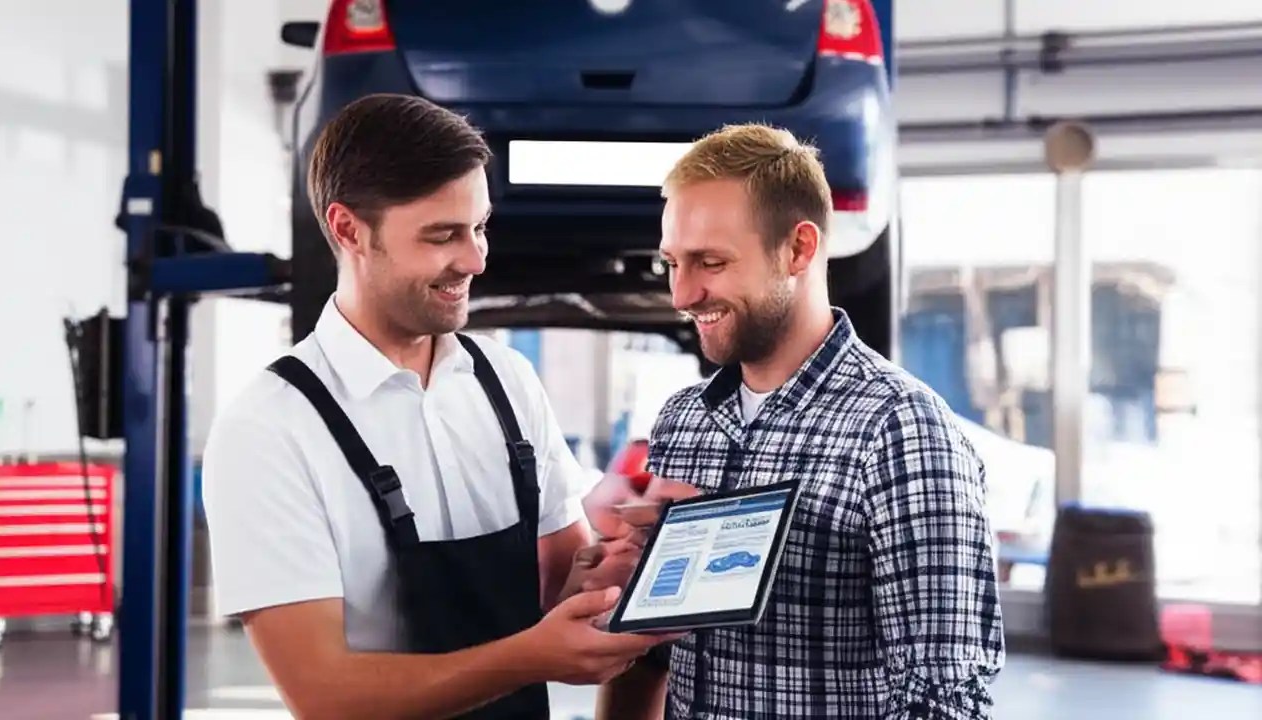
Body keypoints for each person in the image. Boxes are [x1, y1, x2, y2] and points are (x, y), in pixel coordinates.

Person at [200, 94, 672, 720]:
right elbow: (325, 695)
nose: (476, 259)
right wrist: (533, 656)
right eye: (442, 235)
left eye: (479, 227)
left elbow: (562, 582)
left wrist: (620, 567)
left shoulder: (506, 382)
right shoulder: (270, 430)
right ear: (349, 230)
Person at [588, 123, 1006, 719]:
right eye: (672, 264)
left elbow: (943, 703)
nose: (682, 294)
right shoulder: (684, 421)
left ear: (799, 249)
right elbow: (649, 657)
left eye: (710, 262)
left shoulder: (902, 432)